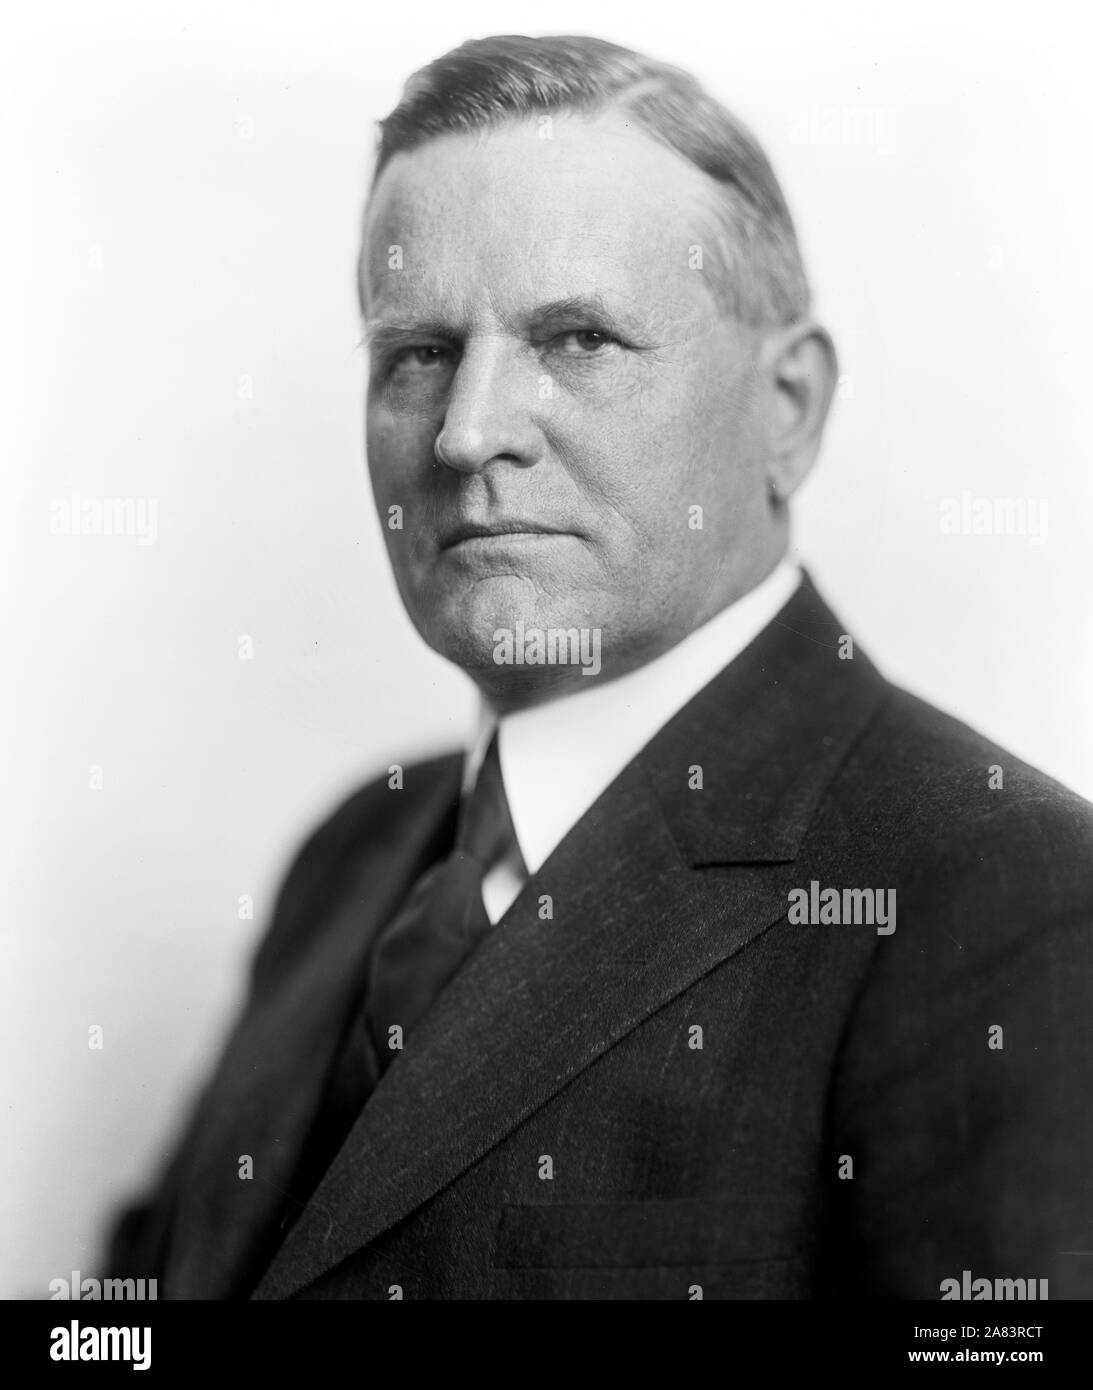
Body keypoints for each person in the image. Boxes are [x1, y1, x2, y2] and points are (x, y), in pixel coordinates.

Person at [104, 33, 1093, 1300]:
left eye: (575, 340)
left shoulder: (1008, 898)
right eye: (416, 353)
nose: (467, 433)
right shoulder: (353, 853)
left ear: (787, 408)